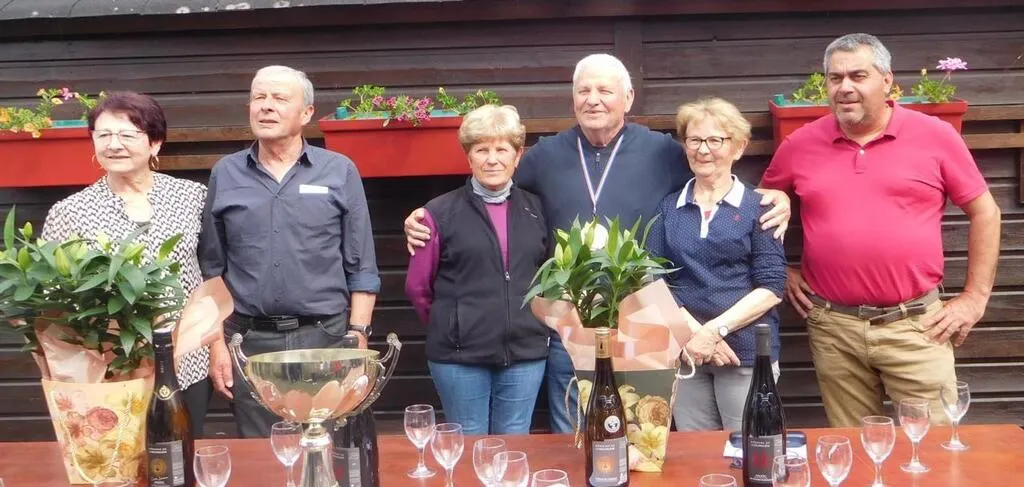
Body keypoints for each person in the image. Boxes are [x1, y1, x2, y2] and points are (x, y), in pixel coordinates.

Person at [405, 53, 793, 433]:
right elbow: (491, 189)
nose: (593, 99)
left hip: (646, 320)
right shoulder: (543, 156)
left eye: (605, 90)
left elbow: (712, 173)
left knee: (643, 431)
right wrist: (425, 217)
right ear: (572, 98)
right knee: (573, 432)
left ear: (628, 98)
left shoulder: (663, 151)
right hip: (570, 323)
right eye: (584, 90)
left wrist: (773, 196)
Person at [761, 33, 1001, 427]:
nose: (845, 88)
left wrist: (975, 298)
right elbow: (759, 209)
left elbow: (987, 213)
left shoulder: (935, 136)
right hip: (834, 328)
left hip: (917, 328)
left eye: (858, 75)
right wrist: (779, 270)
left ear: (887, 80)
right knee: (855, 456)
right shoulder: (800, 144)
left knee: (934, 454)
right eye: (835, 78)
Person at [198, 65, 380, 438]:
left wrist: (357, 335)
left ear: (307, 113)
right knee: (265, 457)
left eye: (279, 98)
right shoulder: (226, 173)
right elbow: (211, 269)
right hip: (251, 343)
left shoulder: (339, 171)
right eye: (258, 97)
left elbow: (361, 262)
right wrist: (216, 344)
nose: (266, 107)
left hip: (325, 339)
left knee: (329, 452)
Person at [41, 91, 212, 436]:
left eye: (127, 135)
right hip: (111, 368)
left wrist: (218, 344)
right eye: (103, 135)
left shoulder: (192, 197)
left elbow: (212, 275)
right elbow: (52, 298)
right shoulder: (70, 211)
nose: (113, 144)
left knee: (181, 455)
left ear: (155, 143)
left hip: (187, 360)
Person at [405, 104, 550, 435]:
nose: (492, 159)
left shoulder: (537, 209)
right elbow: (418, 287)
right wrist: (455, 320)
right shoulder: (437, 212)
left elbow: (547, 274)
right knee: (468, 440)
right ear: (468, 157)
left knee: (514, 440)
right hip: (459, 357)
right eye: (481, 149)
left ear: (517, 156)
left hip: (525, 352)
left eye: (502, 149)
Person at [646, 97, 787, 432]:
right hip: (687, 355)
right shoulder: (669, 208)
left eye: (715, 140)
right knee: (697, 456)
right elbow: (652, 279)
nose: (703, 149)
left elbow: (771, 287)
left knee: (748, 451)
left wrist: (714, 331)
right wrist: (693, 336)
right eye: (694, 140)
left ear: (738, 148)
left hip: (746, 355)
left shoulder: (759, 207)